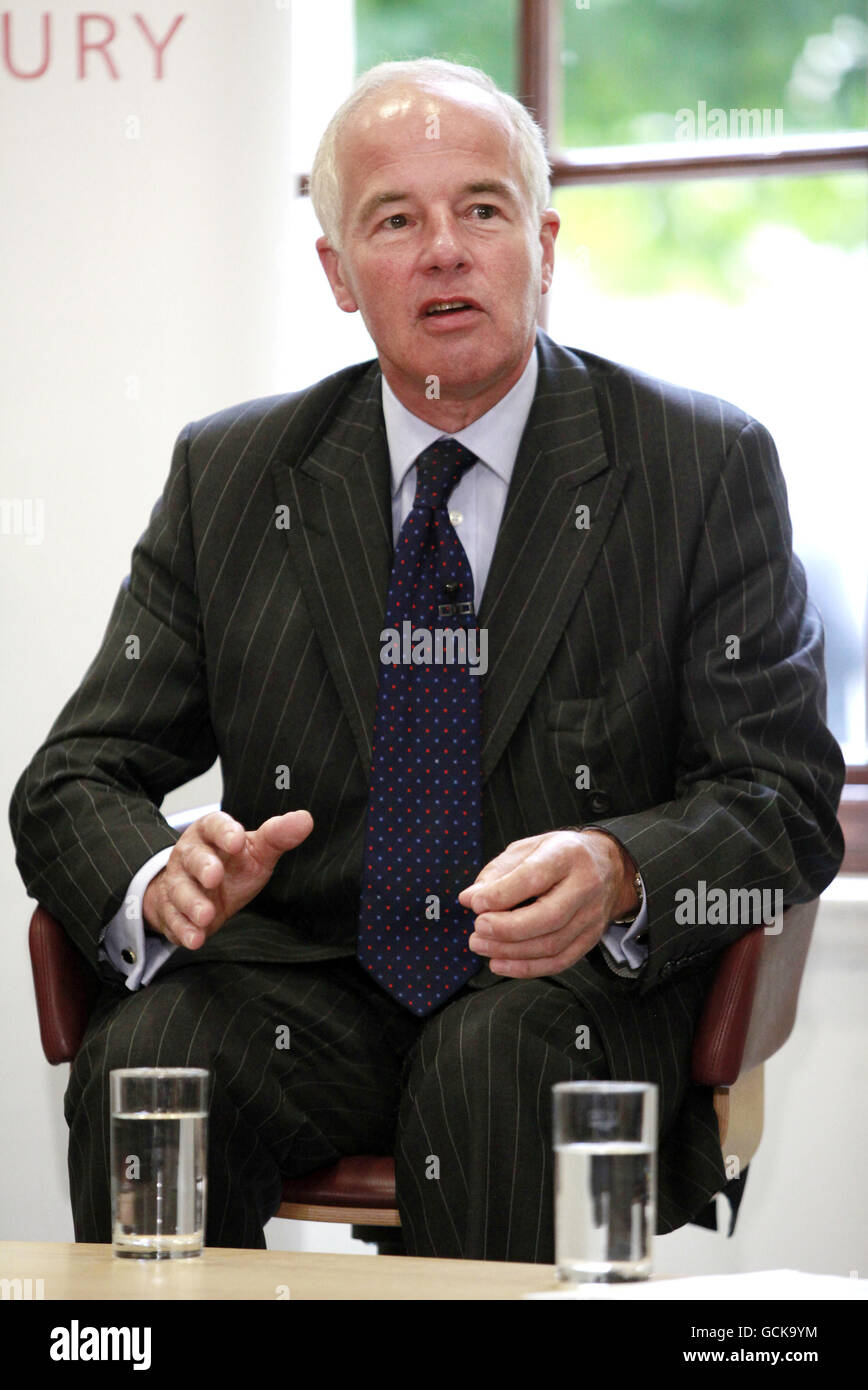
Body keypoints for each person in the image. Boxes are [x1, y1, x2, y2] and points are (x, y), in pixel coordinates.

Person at [10, 58, 845, 1260]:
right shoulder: (234, 476)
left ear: (543, 243)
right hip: (309, 984)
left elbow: (781, 799)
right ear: (340, 275)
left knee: (490, 1060)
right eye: (396, 220)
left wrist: (616, 866)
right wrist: (159, 878)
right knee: (151, 1052)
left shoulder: (697, 463)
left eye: (482, 209)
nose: (445, 249)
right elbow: (70, 776)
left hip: (572, 1003)